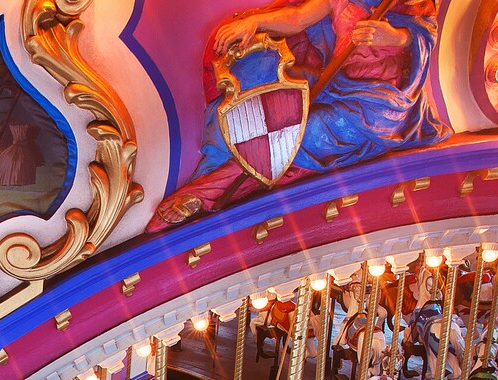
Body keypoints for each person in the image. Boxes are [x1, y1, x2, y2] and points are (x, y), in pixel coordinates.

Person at [149, 0, 448, 231]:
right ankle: (227, 171)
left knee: (301, 133)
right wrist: (253, 22)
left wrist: (396, 37)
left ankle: (205, 194)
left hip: (380, 105)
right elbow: (298, 18)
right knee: (277, 102)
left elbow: (425, 32)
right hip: (339, 86)